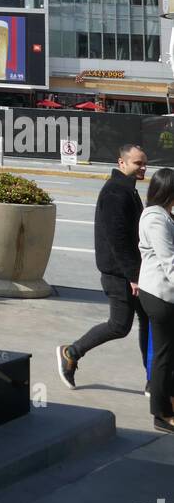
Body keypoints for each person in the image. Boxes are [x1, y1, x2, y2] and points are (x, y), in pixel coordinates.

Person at [57, 143, 149, 390]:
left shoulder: (127, 189)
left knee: (150, 320)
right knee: (119, 326)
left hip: (131, 271)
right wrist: (133, 276)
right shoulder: (116, 192)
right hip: (119, 274)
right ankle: (71, 352)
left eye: (144, 162)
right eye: (138, 163)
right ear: (122, 163)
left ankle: (154, 381)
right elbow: (117, 239)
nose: (143, 167)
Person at [138, 167, 174, 432]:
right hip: (160, 294)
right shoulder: (155, 218)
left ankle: (167, 403)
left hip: (165, 293)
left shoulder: (164, 215)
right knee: (164, 355)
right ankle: (161, 414)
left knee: (169, 355)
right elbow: (169, 261)